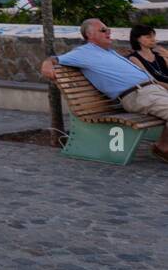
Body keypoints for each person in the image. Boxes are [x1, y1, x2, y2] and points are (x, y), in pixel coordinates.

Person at [41, 17, 168, 163]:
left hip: (152, 90)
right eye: (103, 30)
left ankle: (163, 147)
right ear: (89, 35)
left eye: (108, 29)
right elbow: (55, 59)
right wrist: (47, 64)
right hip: (138, 95)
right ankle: (162, 147)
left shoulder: (108, 51)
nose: (108, 32)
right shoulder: (83, 53)